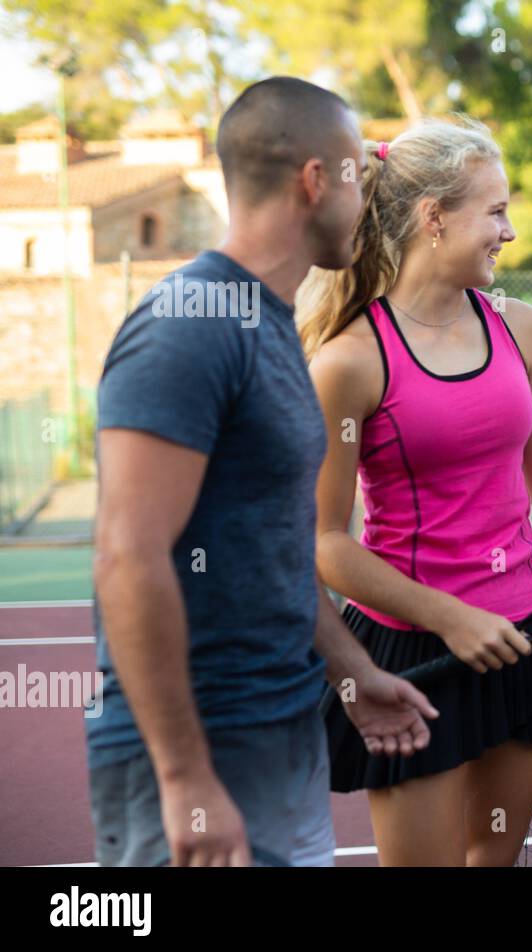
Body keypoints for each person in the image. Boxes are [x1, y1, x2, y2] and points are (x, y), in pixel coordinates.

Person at [299, 117, 532, 866]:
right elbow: (325, 543)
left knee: (493, 860)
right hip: (416, 657)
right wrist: (452, 619)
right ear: (433, 218)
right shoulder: (348, 361)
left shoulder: (520, 328)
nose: (509, 230)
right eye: (495, 210)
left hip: (525, 638)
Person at [90, 76, 437, 868]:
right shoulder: (187, 328)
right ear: (316, 181)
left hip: (282, 734)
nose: (367, 201)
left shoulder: (271, 324)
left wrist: (352, 674)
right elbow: (126, 556)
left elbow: (274, 545)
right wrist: (185, 778)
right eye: (357, 177)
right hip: (197, 749)